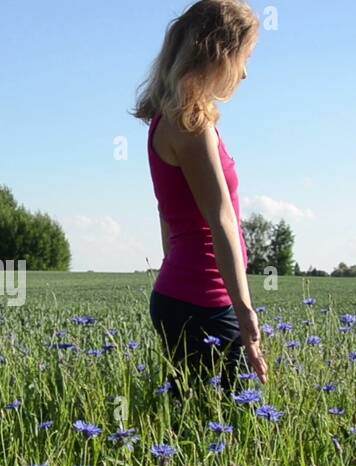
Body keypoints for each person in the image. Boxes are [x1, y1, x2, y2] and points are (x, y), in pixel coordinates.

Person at [133, 0, 269, 393]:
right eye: (244, 58)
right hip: (203, 301)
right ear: (220, 53)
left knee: (191, 413)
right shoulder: (190, 123)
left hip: (185, 296)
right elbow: (221, 218)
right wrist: (245, 313)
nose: (244, 73)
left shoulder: (170, 119)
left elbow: (167, 214)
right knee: (238, 415)